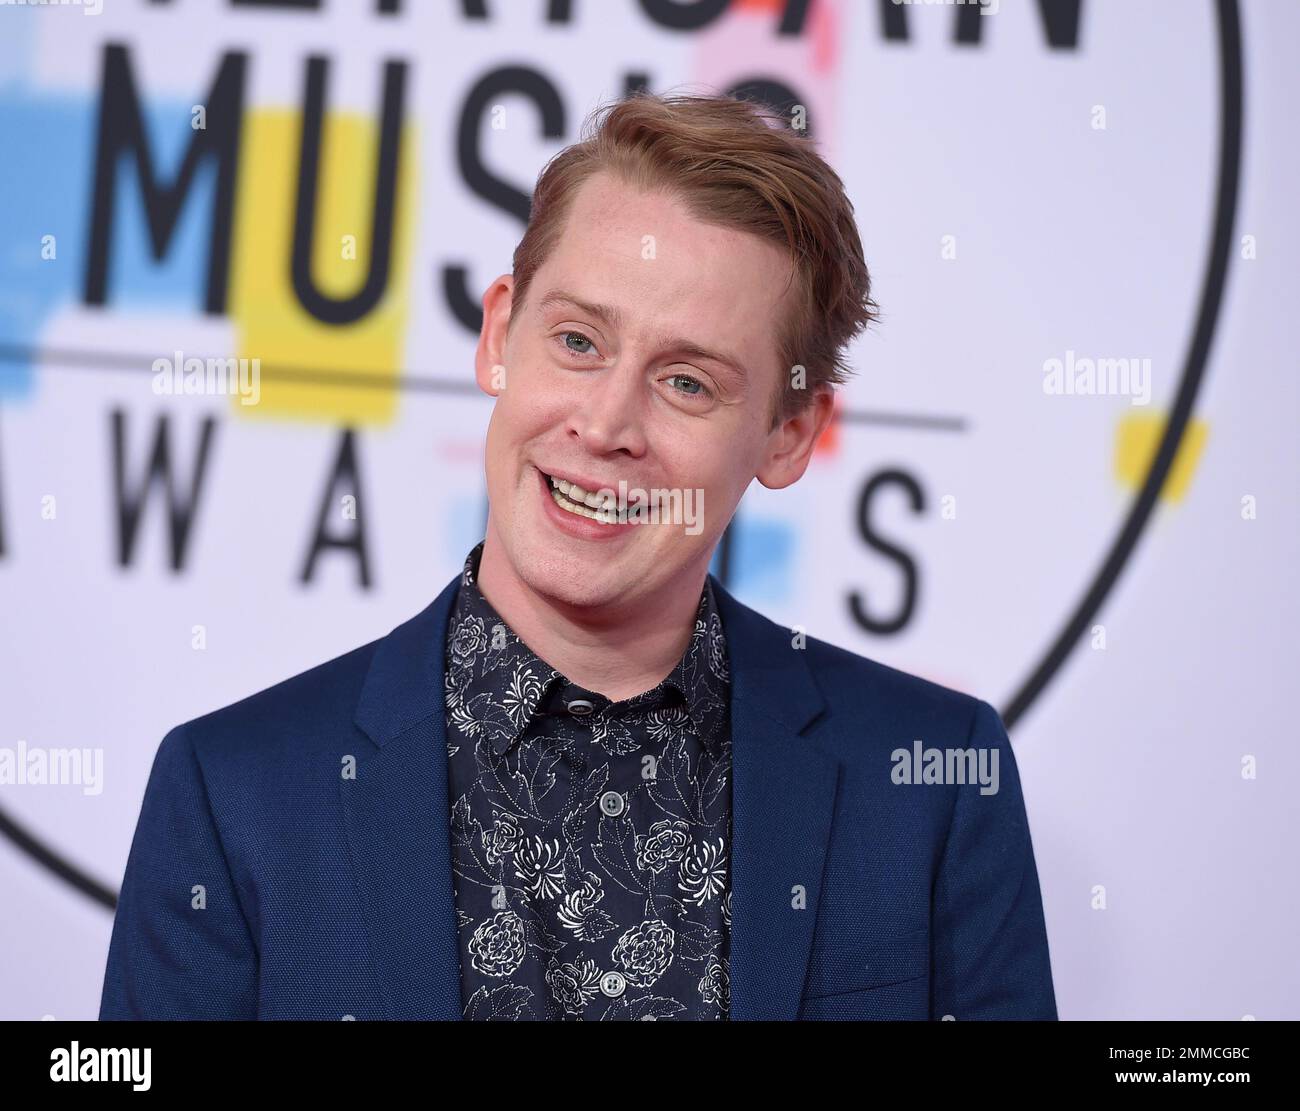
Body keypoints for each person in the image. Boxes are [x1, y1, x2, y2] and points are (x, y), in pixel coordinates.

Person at [100, 91, 1056, 1021]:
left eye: (686, 381)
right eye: (577, 340)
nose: (605, 425)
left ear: (790, 434)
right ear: (498, 334)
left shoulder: (933, 787)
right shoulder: (232, 796)